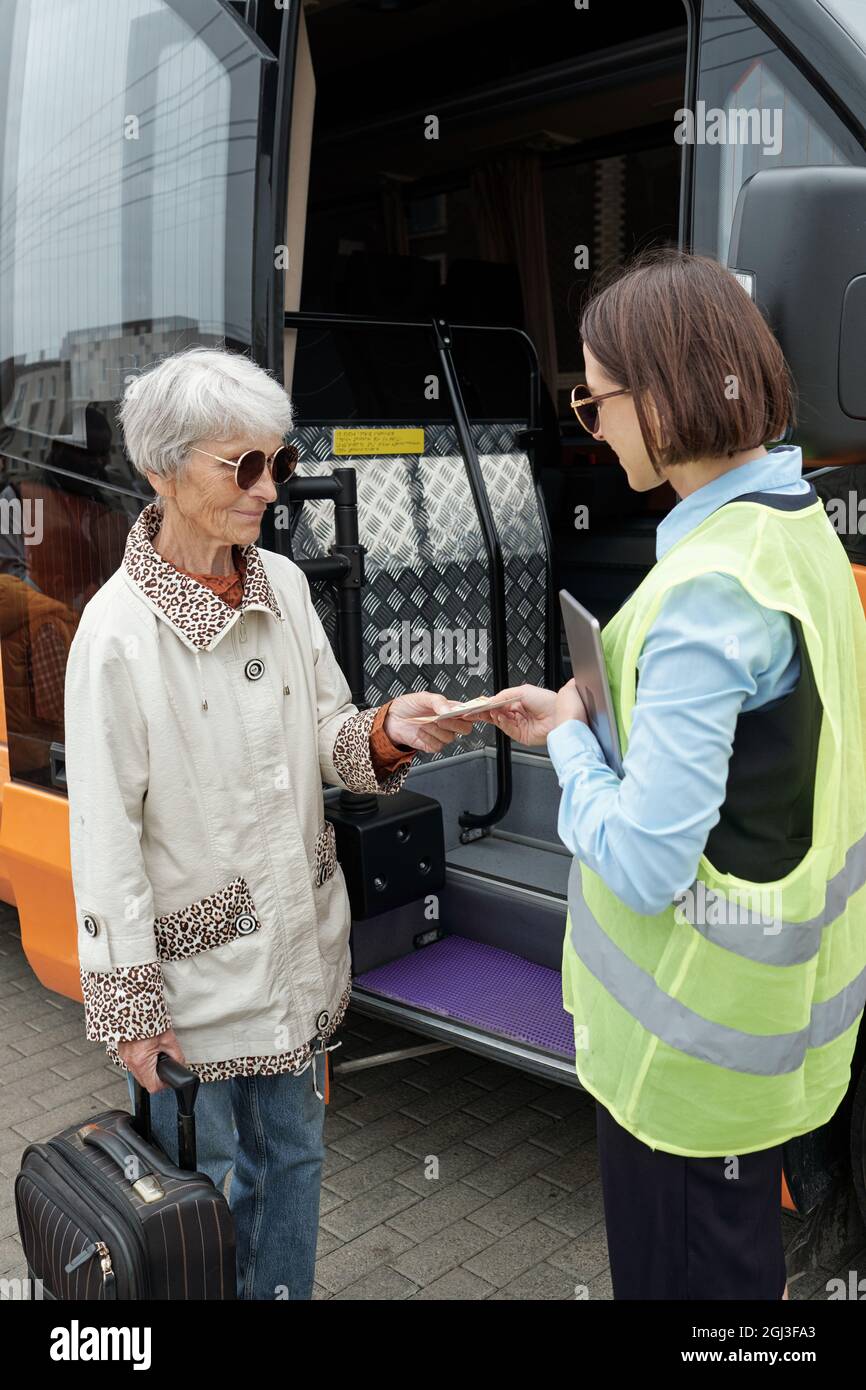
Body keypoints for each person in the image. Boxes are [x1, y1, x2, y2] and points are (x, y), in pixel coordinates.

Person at [477, 249, 866, 1300]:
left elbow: (648, 864)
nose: (589, 427)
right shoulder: (793, 530)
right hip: (767, 1037)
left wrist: (565, 739)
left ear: (663, 395)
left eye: (594, 399)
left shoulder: (704, 592)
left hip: (683, 1069)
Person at [63, 346, 469, 1300]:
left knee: (293, 1159)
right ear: (163, 471)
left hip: (293, 953)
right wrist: (129, 1012)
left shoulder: (282, 586)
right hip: (189, 984)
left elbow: (325, 731)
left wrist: (381, 730)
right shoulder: (114, 636)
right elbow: (105, 844)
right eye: (241, 466)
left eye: (279, 462)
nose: (269, 489)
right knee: (182, 1199)